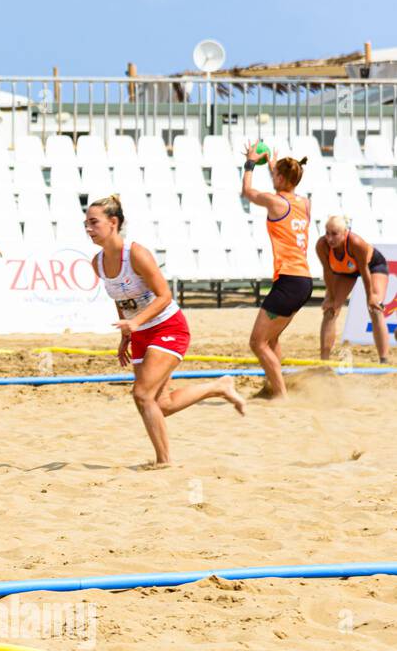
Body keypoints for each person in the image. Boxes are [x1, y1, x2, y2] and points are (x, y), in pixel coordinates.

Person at [86, 195, 244, 466]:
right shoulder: (97, 262)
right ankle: (219, 386)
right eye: (86, 223)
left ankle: (164, 461)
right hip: (139, 333)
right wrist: (126, 334)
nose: (88, 228)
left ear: (113, 223)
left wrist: (135, 323)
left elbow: (164, 296)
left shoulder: (135, 253)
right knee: (162, 404)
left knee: (142, 395)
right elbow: (120, 300)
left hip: (168, 327)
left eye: (93, 222)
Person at [241, 143, 312, 398]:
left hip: (289, 281)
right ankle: (273, 386)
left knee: (257, 342)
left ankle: (280, 395)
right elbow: (284, 186)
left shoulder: (275, 202)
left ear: (281, 178)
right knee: (272, 340)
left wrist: (250, 162)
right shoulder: (304, 204)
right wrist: (274, 165)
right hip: (303, 281)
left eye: (275, 176)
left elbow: (247, 191)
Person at [316, 214, 390, 363]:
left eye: (334, 234)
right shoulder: (322, 245)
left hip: (372, 266)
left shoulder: (356, 243)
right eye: (327, 233)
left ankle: (384, 359)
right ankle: (324, 363)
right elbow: (327, 272)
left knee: (375, 308)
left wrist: (370, 297)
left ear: (345, 233)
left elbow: (364, 271)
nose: (329, 238)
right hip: (345, 271)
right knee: (330, 311)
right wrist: (330, 297)